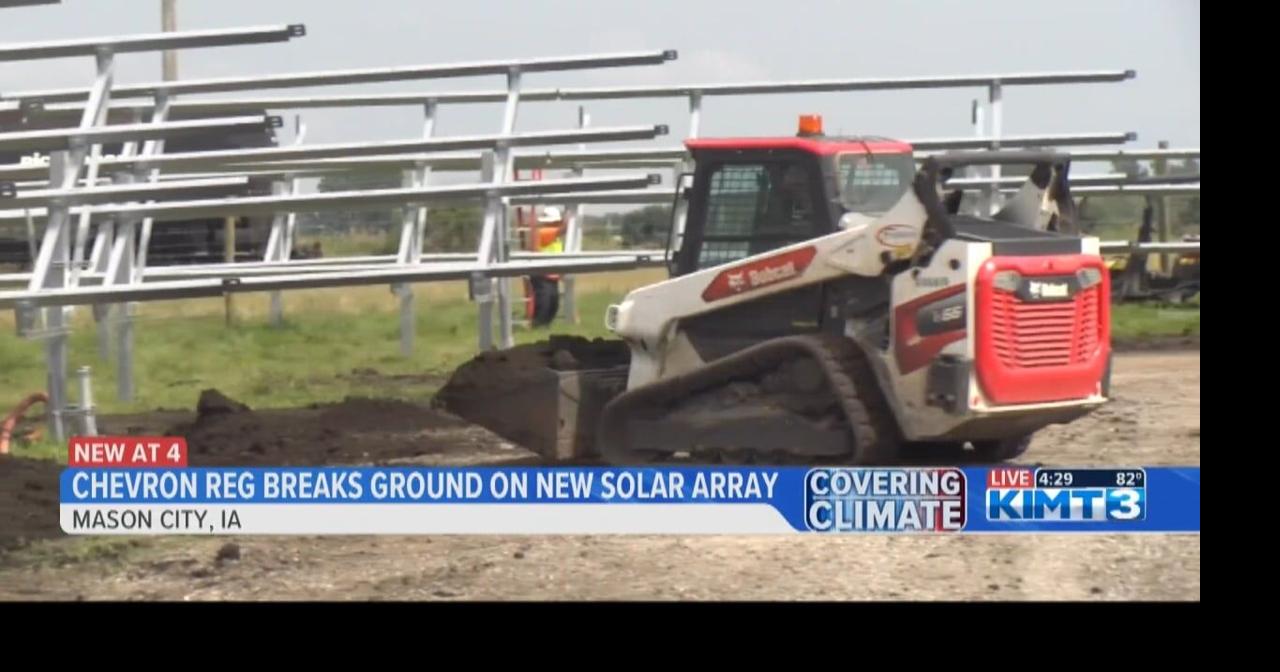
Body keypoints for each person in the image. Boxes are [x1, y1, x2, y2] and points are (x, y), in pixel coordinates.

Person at [529, 207, 566, 327]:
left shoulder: (552, 235)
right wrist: (570, 214)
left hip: (551, 273)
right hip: (542, 273)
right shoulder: (545, 232)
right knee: (544, 302)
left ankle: (544, 325)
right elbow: (564, 229)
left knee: (553, 303)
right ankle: (538, 325)